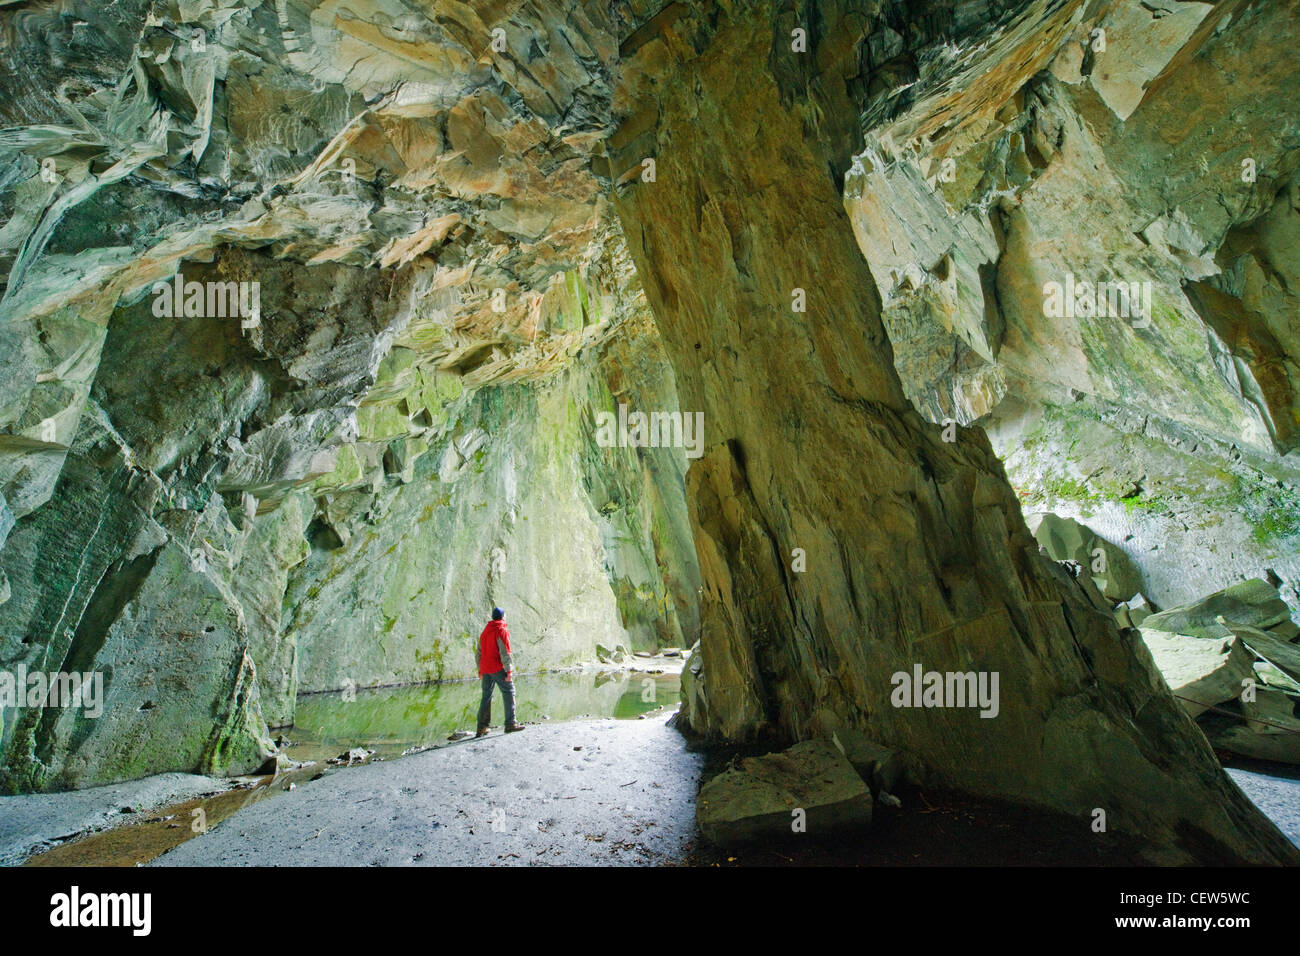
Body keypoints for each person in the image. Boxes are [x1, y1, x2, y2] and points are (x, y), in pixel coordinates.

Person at [477, 607, 525, 736]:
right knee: (509, 691)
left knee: (486, 696)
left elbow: (479, 652)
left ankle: (481, 727)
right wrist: (509, 671)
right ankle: (510, 724)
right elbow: (505, 652)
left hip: (486, 668)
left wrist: (480, 669)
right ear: (503, 616)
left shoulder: (485, 631)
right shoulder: (501, 629)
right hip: (497, 667)